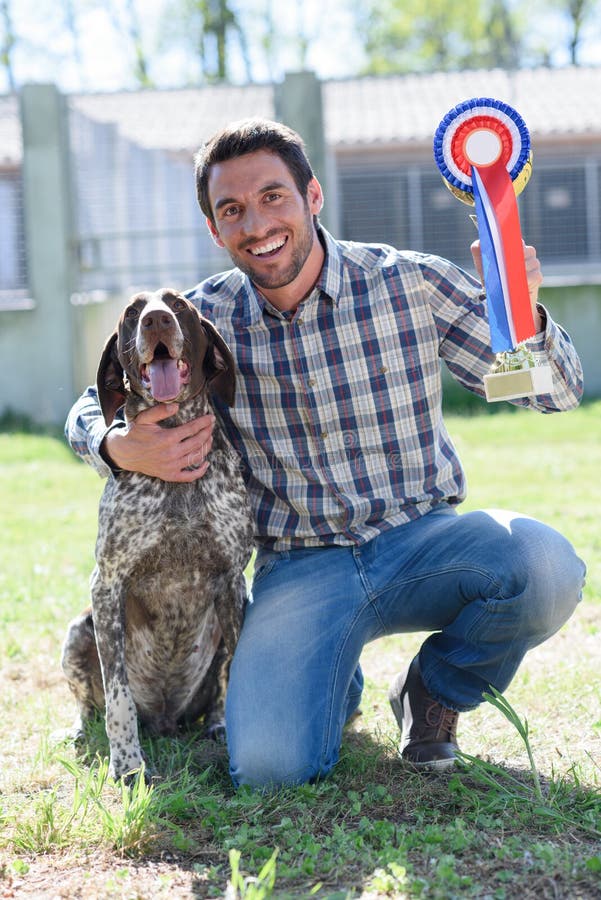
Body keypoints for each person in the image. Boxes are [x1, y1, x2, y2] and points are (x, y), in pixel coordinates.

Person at [66, 117, 586, 790]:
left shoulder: (410, 283)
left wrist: (526, 315)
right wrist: (118, 444)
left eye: (272, 197)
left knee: (543, 565)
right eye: (233, 210)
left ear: (312, 197)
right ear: (214, 230)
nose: (256, 224)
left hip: (423, 544)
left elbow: (550, 392)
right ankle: (329, 675)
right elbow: (88, 404)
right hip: (301, 571)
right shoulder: (202, 319)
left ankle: (431, 690)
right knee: (272, 768)